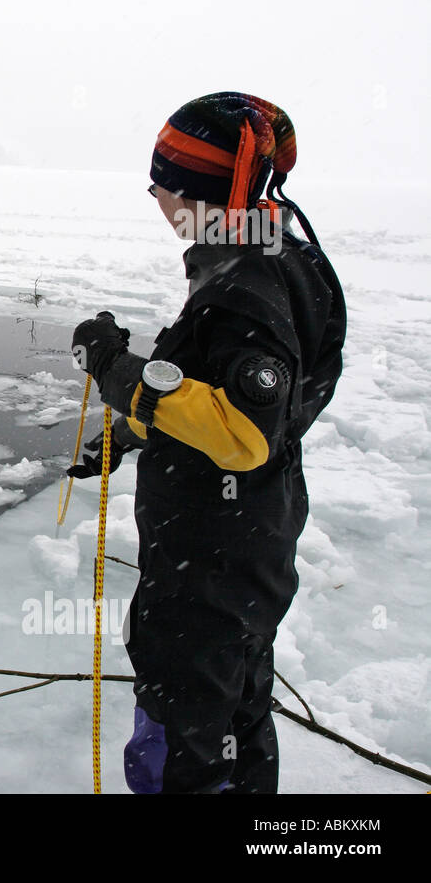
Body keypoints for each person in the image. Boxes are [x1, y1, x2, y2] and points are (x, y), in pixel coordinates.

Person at [67, 92, 346, 793]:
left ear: (201, 192)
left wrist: (114, 369)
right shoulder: (278, 251)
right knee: (236, 710)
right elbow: (225, 395)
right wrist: (130, 431)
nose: (155, 192)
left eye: (165, 180)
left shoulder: (245, 281)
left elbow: (242, 433)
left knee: (183, 729)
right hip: (252, 544)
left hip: (210, 562)